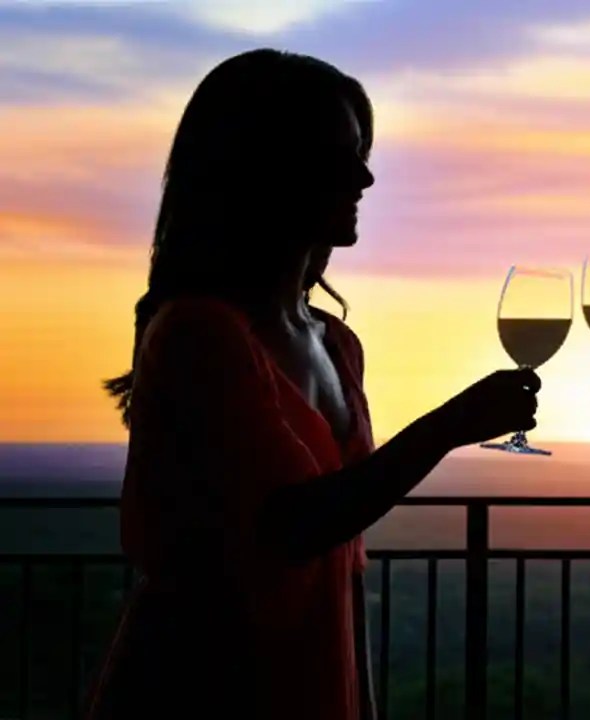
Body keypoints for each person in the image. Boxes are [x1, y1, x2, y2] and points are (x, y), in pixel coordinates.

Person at [84, 49, 540, 720]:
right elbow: (289, 526)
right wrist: (448, 427)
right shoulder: (198, 334)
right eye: (339, 154)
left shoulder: (336, 343)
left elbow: (343, 564)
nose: (365, 176)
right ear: (263, 167)